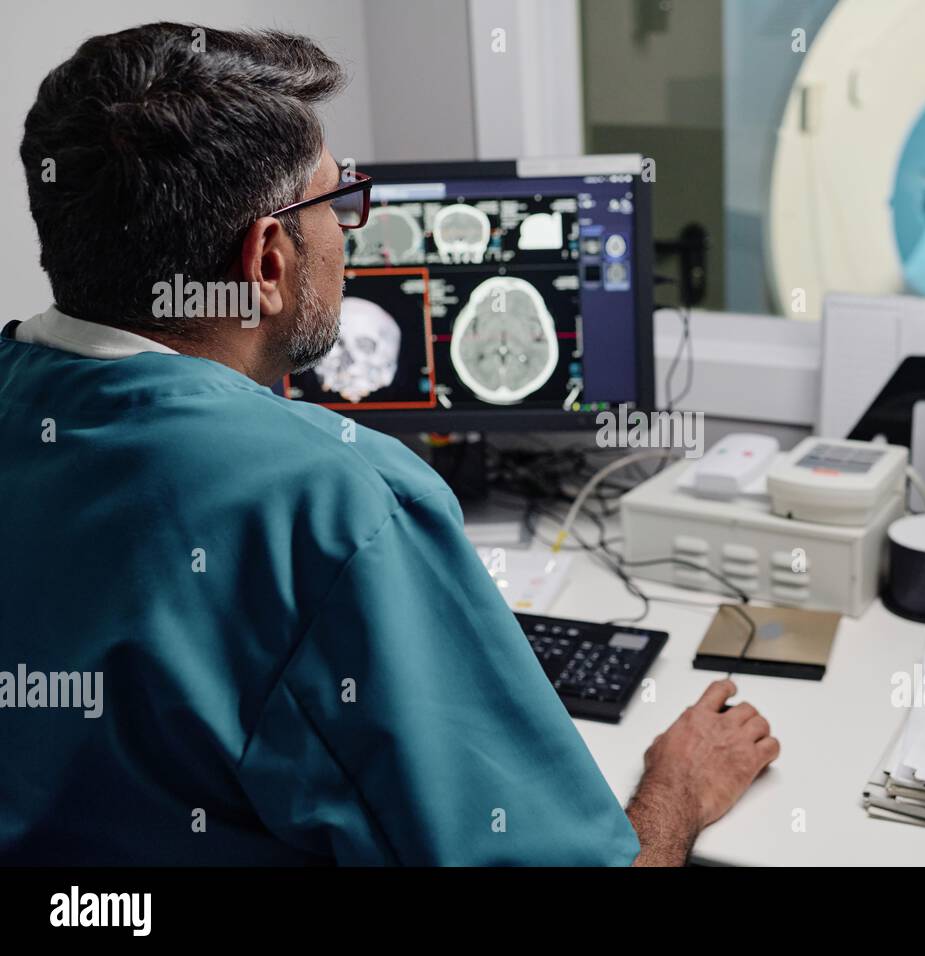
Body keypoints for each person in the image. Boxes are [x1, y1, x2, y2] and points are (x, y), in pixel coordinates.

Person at [0, 22, 778, 866]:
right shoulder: (341, 505)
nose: (349, 230)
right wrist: (676, 788)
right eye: (337, 203)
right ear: (267, 260)